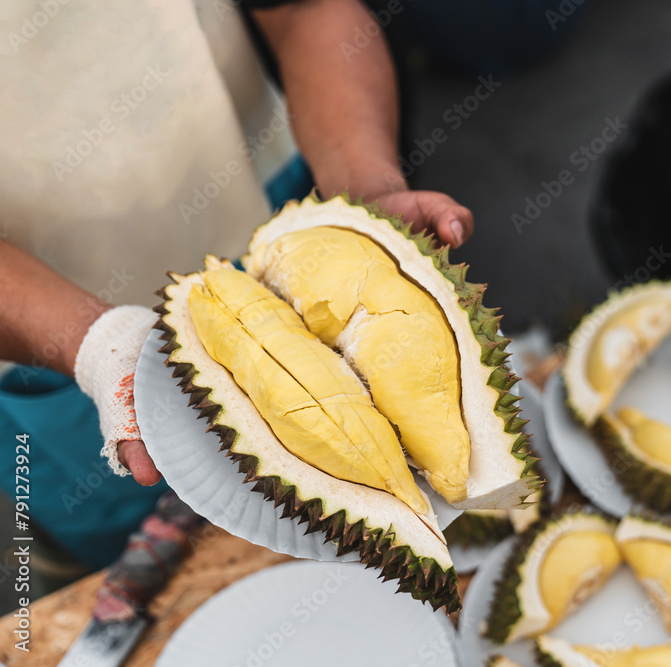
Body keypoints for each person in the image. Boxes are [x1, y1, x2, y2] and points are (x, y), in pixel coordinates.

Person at [0, 0, 473, 573]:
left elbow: (304, 10)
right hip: (42, 325)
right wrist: (95, 346)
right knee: (164, 560)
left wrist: (361, 198)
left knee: (346, 527)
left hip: (270, 209)